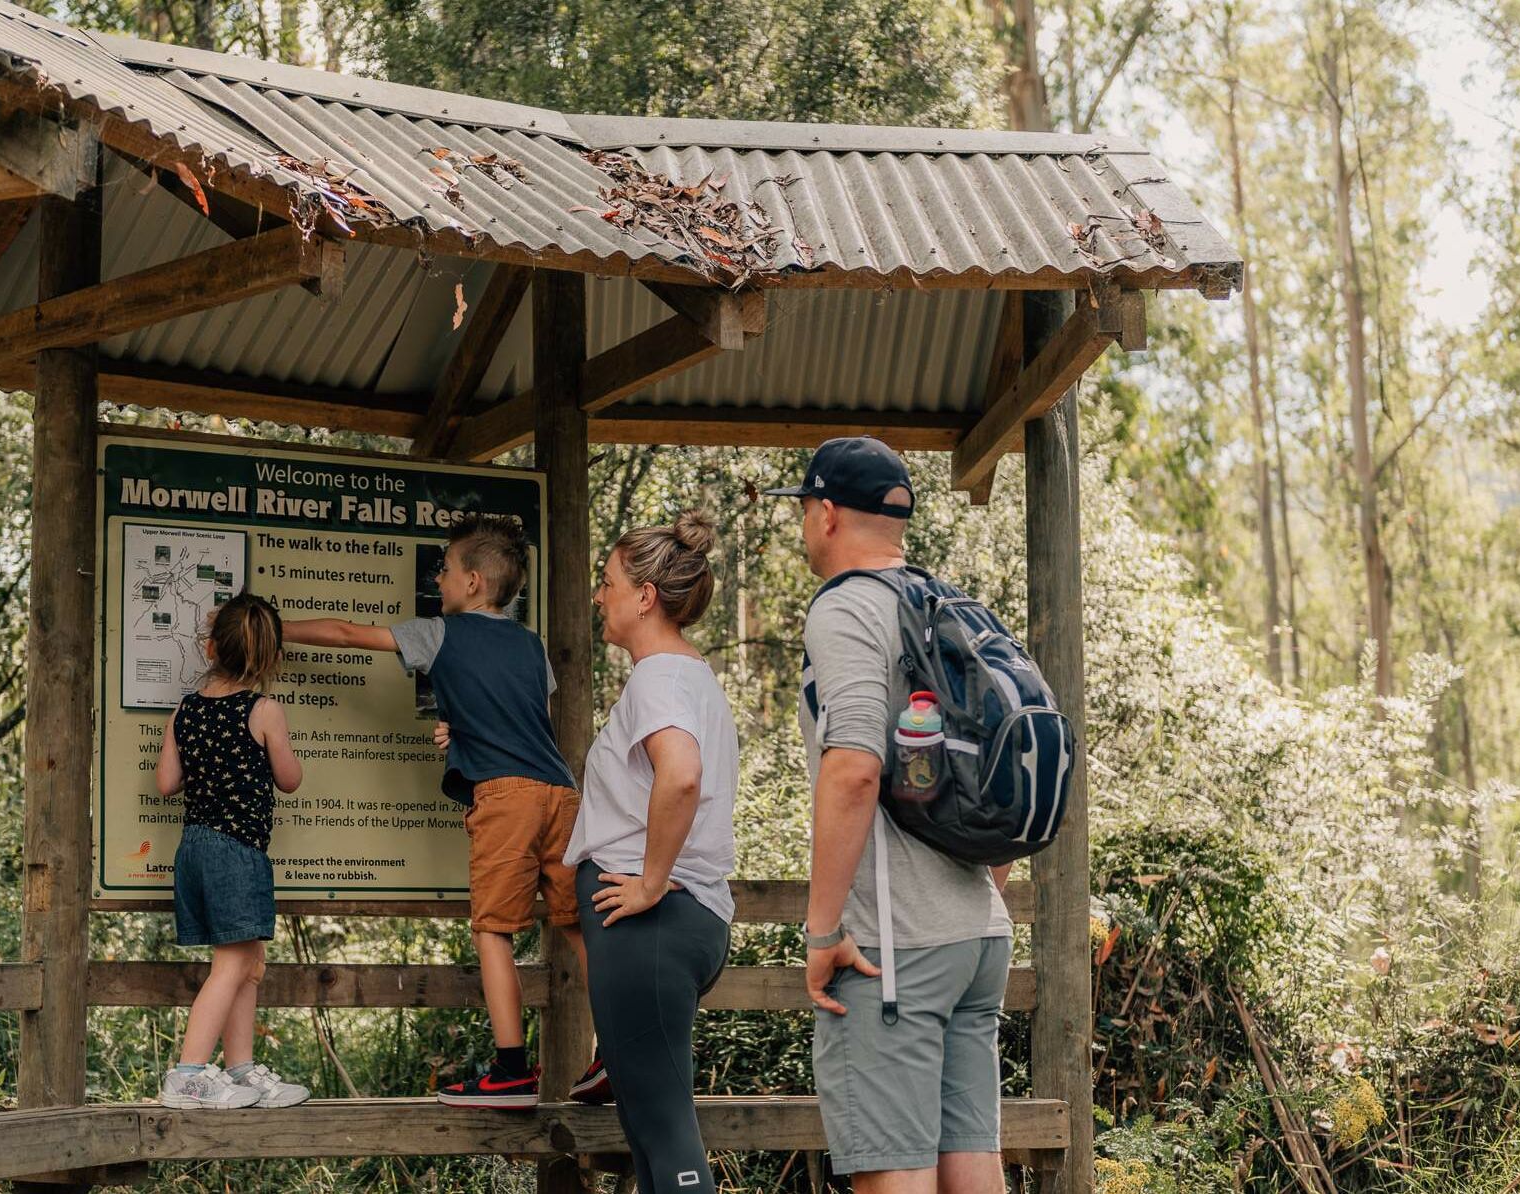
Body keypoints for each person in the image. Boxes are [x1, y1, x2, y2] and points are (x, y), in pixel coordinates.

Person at [768, 438, 1016, 1193]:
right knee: (970, 1164)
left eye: (805, 510)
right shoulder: (949, 606)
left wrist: (822, 931)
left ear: (827, 513)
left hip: (892, 951)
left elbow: (852, 770)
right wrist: (981, 888)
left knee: (894, 1177)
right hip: (976, 934)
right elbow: (1009, 760)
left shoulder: (847, 610)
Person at [282, 512, 590, 1108]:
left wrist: (275, 625)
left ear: (473, 581)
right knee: (578, 928)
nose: (439, 580)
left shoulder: (440, 634)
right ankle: (621, 1058)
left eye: (446, 571)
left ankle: (511, 1073)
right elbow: (523, 718)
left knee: (493, 931)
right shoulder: (532, 647)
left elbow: (349, 635)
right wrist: (463, 731)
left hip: (507, 796)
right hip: (561, 792)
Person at [565, 512, 738, 1194]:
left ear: (645, 596)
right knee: (647, 1132)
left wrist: (648, 882)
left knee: (667, 1140)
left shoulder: (659, 678)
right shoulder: (689, 677)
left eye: (607, 583)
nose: (599, 596)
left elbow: (682, 774)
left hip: (652, 925)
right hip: (666, 927)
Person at [156, 592, 312, 1111]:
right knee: (231, 965)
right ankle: (188, 1075)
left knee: (248, 963)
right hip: (237, 849)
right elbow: (289, 780)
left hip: (195, 846)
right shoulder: (264, 709)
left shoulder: (187, 709)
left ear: (209, 648)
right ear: (268, 659)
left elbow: (166, 782)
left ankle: (241, 1071)